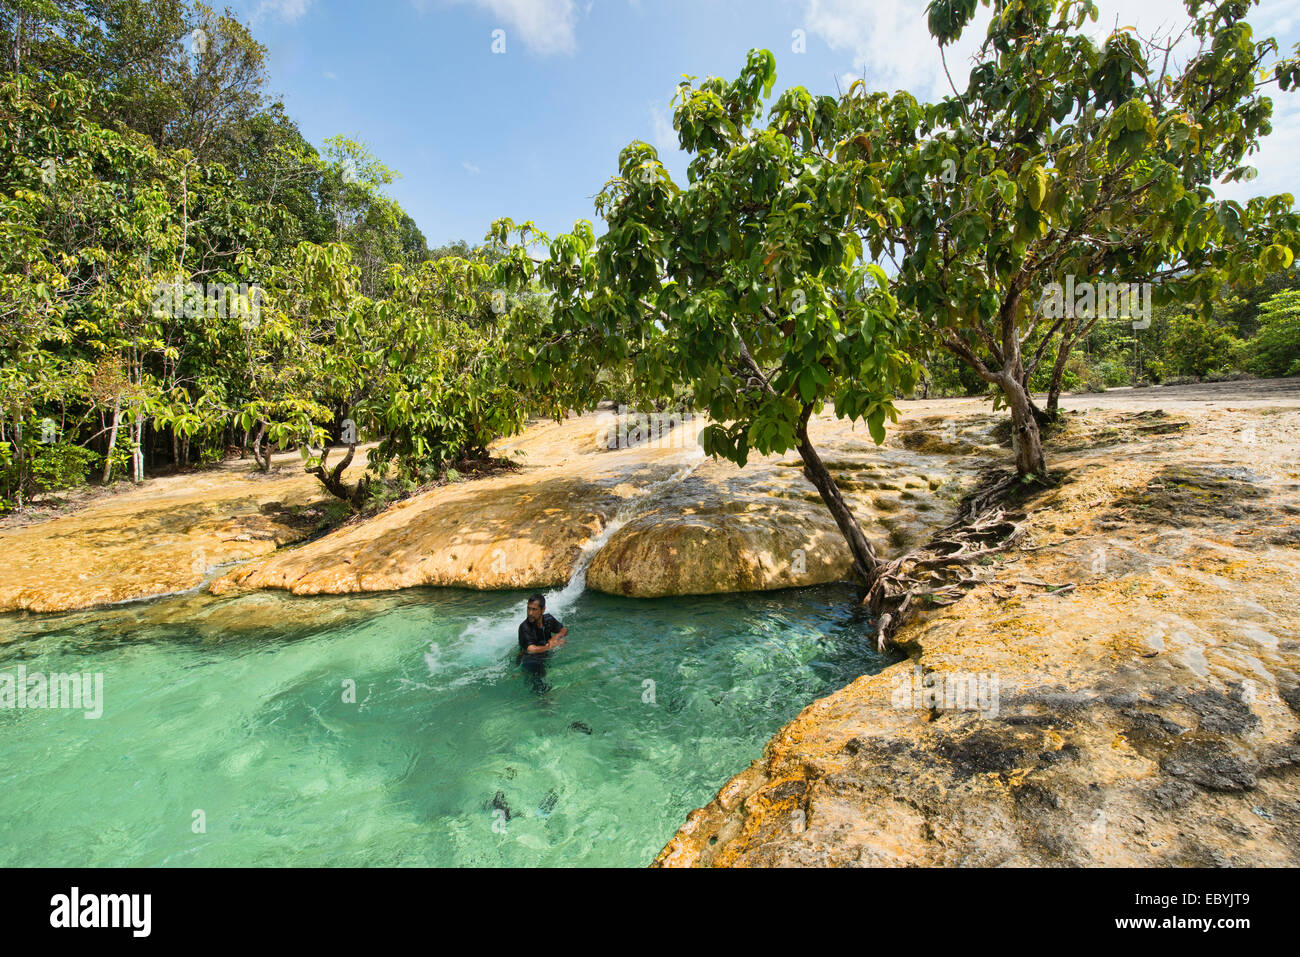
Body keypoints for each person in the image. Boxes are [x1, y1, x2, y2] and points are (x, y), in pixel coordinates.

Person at [517, 594, 567, 693]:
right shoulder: (524, 627)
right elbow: (531, 649)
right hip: (529, 658)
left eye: (534, 609)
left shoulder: (548, 619)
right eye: (528, 609)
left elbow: (564, 629)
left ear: (543, 609)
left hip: (543, 653)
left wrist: (555, 637)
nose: (530, 613)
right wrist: (551, 646)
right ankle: (542, 702)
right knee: (539, 679)